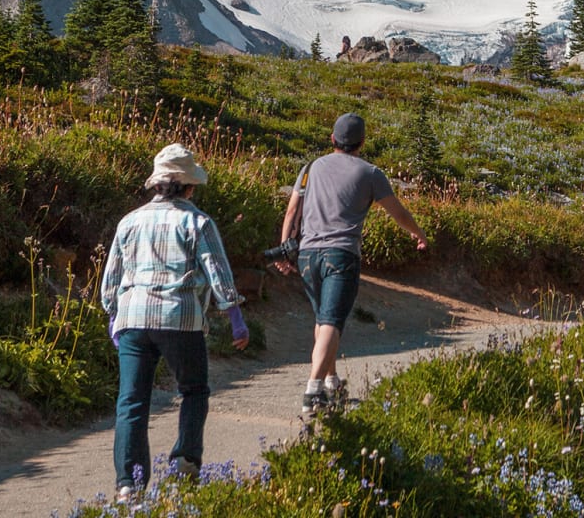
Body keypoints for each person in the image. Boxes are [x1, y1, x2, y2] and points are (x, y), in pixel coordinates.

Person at [100, 144, 249, 502]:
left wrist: (112, 314)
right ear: (189, 186)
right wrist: (234, 315)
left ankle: (128, 484)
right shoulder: (197, 221)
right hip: (179, 317)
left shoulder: (129, 221)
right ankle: (185, 459)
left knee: (132, 401)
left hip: (133, 317)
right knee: (193, 390)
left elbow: (112, 278)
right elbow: (217, 269)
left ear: (156, 185)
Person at [273, 114, 429, 411]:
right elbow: (399, 214)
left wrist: (284, 249)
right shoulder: (371, 174)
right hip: (341, 254)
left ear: (332, 139)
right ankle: (313, 390)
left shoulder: (311, 167)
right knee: (332, 321)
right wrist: (418, 234)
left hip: (307, 254)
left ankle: (331, 381)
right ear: (362, 143)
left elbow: (292, 210)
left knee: (322, 319)